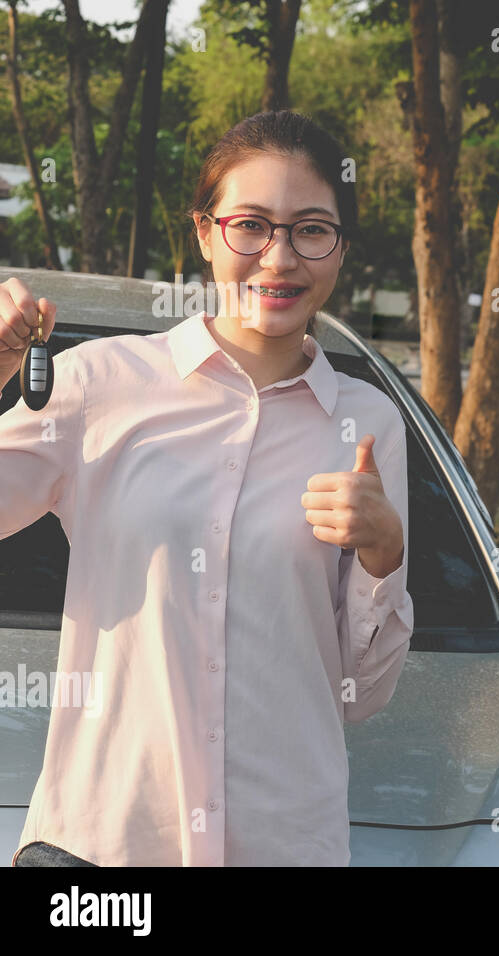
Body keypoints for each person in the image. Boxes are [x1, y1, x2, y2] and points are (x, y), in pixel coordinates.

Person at [0, 110, 414, 866]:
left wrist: (385, 555)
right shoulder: (99, 385)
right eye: (250, 225)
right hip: (106, 847)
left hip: (283, 844)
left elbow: (366, 689)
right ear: (204, 232)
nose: (279, 258)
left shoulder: (369, 423)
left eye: (311, 229)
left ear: (341, 247)